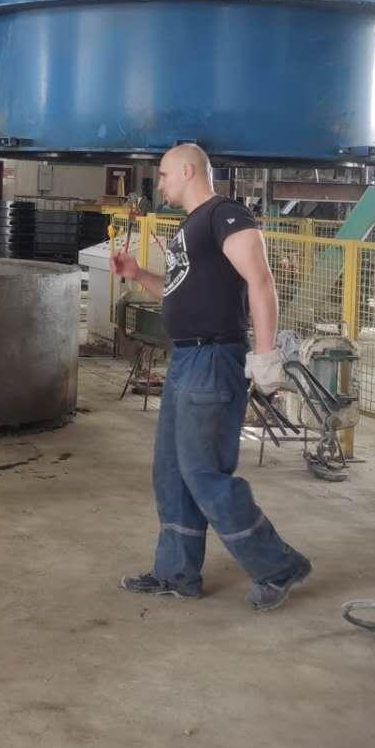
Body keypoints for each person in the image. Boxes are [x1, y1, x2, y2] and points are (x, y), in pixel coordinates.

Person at [112, 143, 313, 611]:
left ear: (188, 171)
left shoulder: (225, 215)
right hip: (187, 359)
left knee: (203, 473)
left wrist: (265, 354)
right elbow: (178, 292)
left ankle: (278, 565)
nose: (160, 184)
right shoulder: (191, 226)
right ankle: (177, 573)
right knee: (171, 470)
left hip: (213, 359)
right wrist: (139, 274)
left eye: (164, 174)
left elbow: (261, 280)